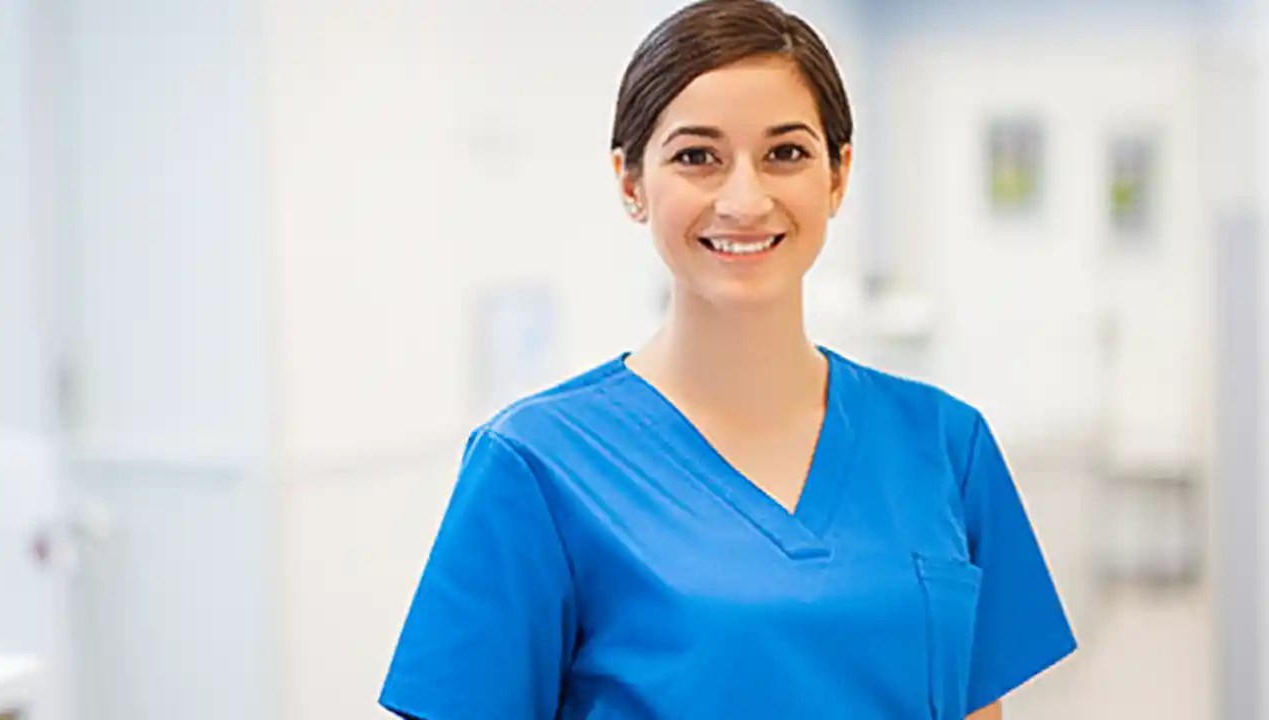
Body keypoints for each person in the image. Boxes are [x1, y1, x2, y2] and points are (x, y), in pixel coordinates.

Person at [378, 1, 1076, 718]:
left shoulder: (944, 446)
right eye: (697, 157)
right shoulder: (535, 465)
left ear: (838, 176)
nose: (746, 199)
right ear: (630, 183)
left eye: (786, 153)